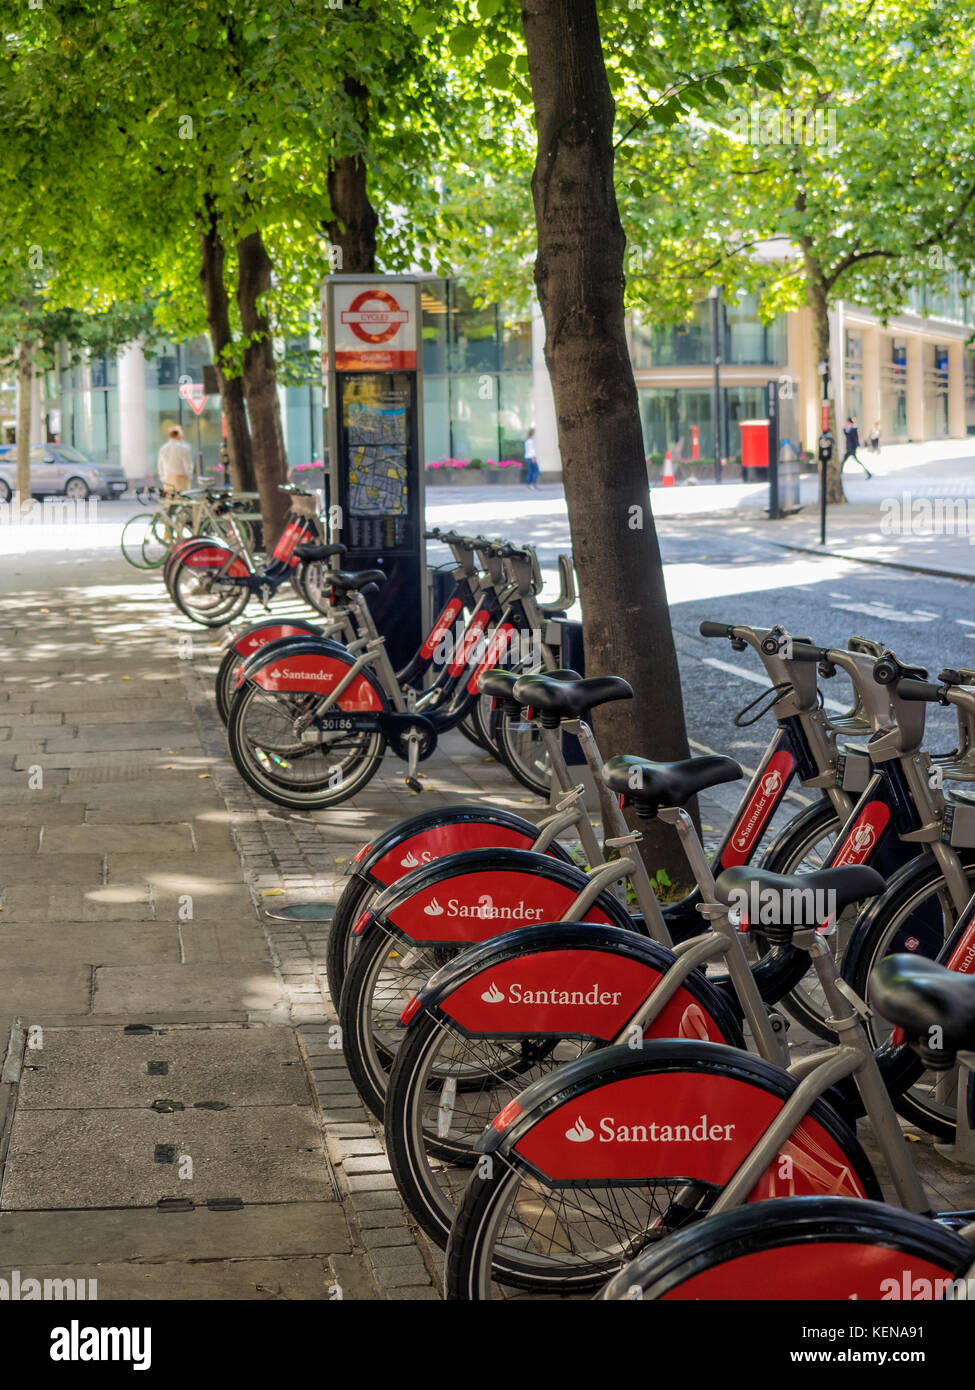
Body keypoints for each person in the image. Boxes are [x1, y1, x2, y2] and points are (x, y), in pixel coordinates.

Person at [157, 425, 193, 497]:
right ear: (179, 435)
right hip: (181, 478)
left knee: (170, 502)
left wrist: (163, 478)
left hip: (167, 479)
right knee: (182, 501)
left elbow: (160, 465)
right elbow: (187, 465)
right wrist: (189, 476)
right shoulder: (183, 448)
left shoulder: (163, 448)